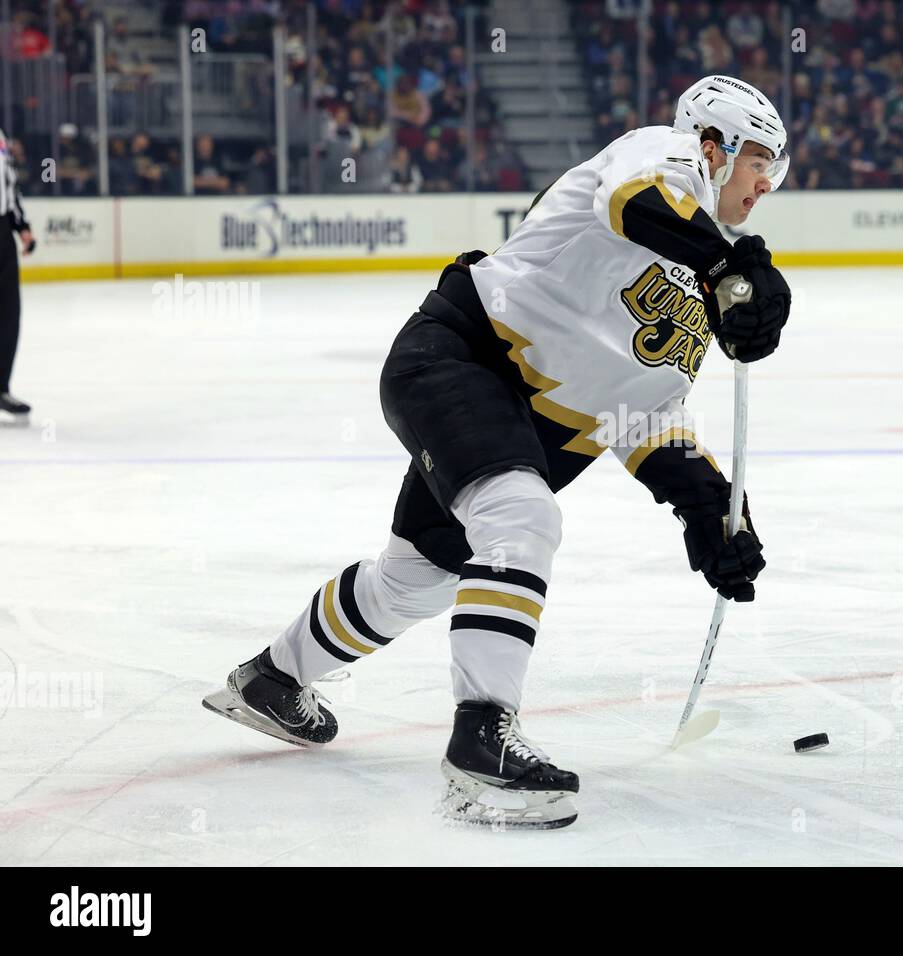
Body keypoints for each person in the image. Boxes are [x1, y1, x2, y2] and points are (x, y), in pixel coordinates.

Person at [203, 75, 793, 829]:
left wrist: (707, 505)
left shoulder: (709, 276)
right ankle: (480, 745)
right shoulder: (665, 156)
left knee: (412, 580)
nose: (766, 184)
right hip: (462, 359)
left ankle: (271, 681)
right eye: (760, 162)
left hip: (529, 424)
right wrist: (721, 265)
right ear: (716, 144)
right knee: (521, 518)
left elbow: (644, 407)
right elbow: (634, 202)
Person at [0, 128, 36, 425]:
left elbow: (10, 185)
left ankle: (0, 387)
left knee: (8, 313)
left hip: (1, 234)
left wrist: (21, 225)